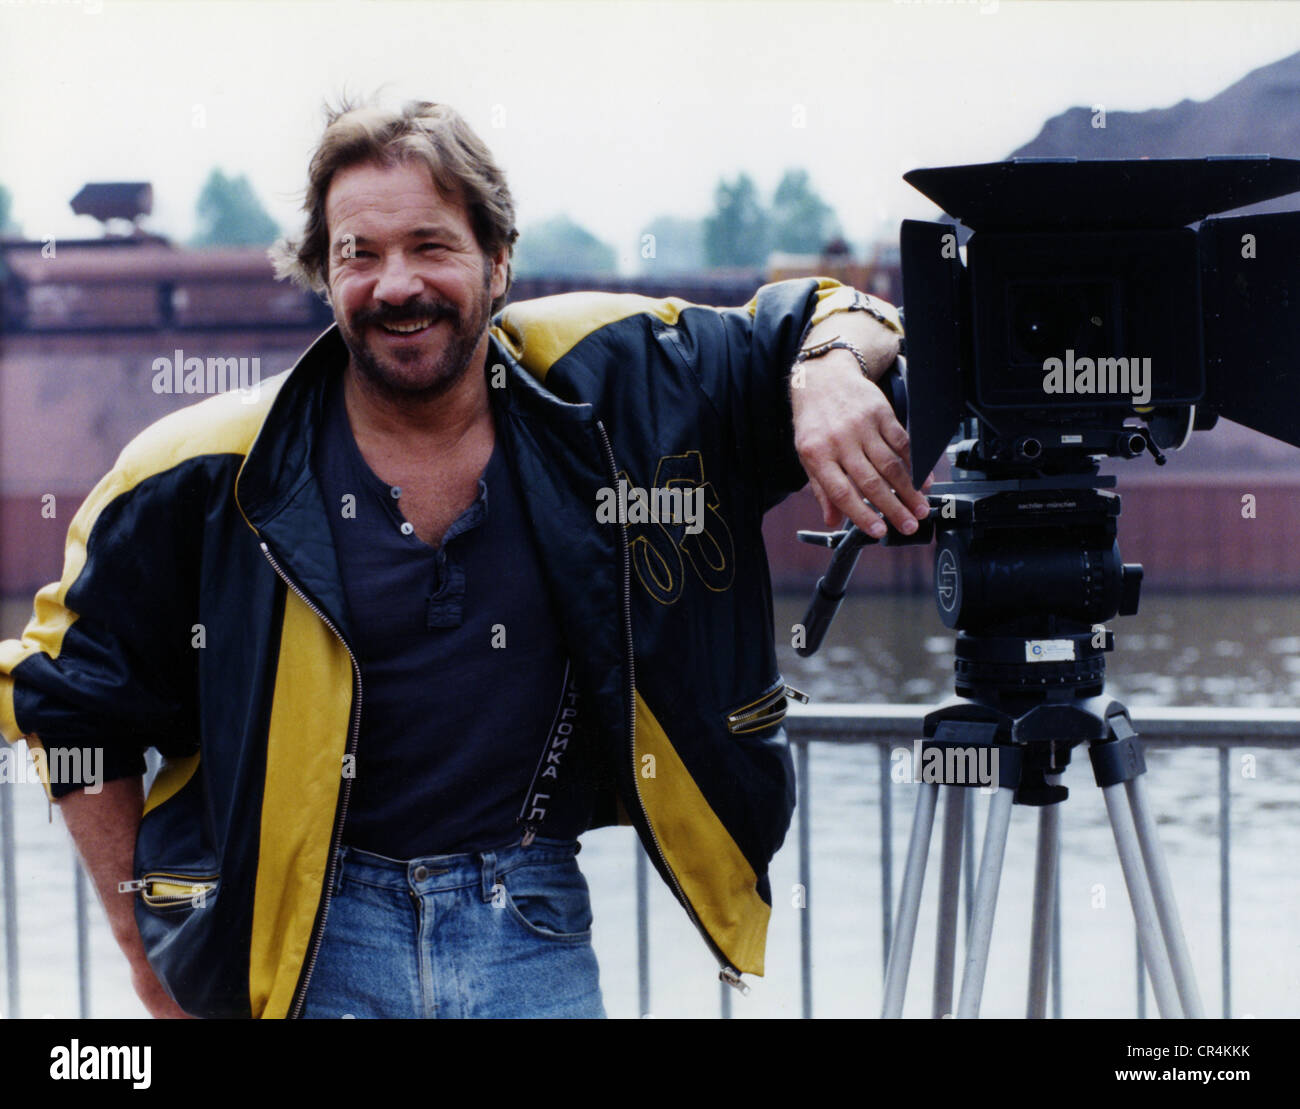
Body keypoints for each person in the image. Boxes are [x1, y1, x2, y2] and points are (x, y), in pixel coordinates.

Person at [0, 97, 928, 1019]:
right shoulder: (203, 472)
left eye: (430, 246)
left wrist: (828, 369)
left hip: (530, 927)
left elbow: (843, 312)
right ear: (324, 274)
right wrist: (146, 961)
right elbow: (64, 694)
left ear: (498, 259)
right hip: (306, 946)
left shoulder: (611, 384)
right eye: (359, 254)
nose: (395, 284)